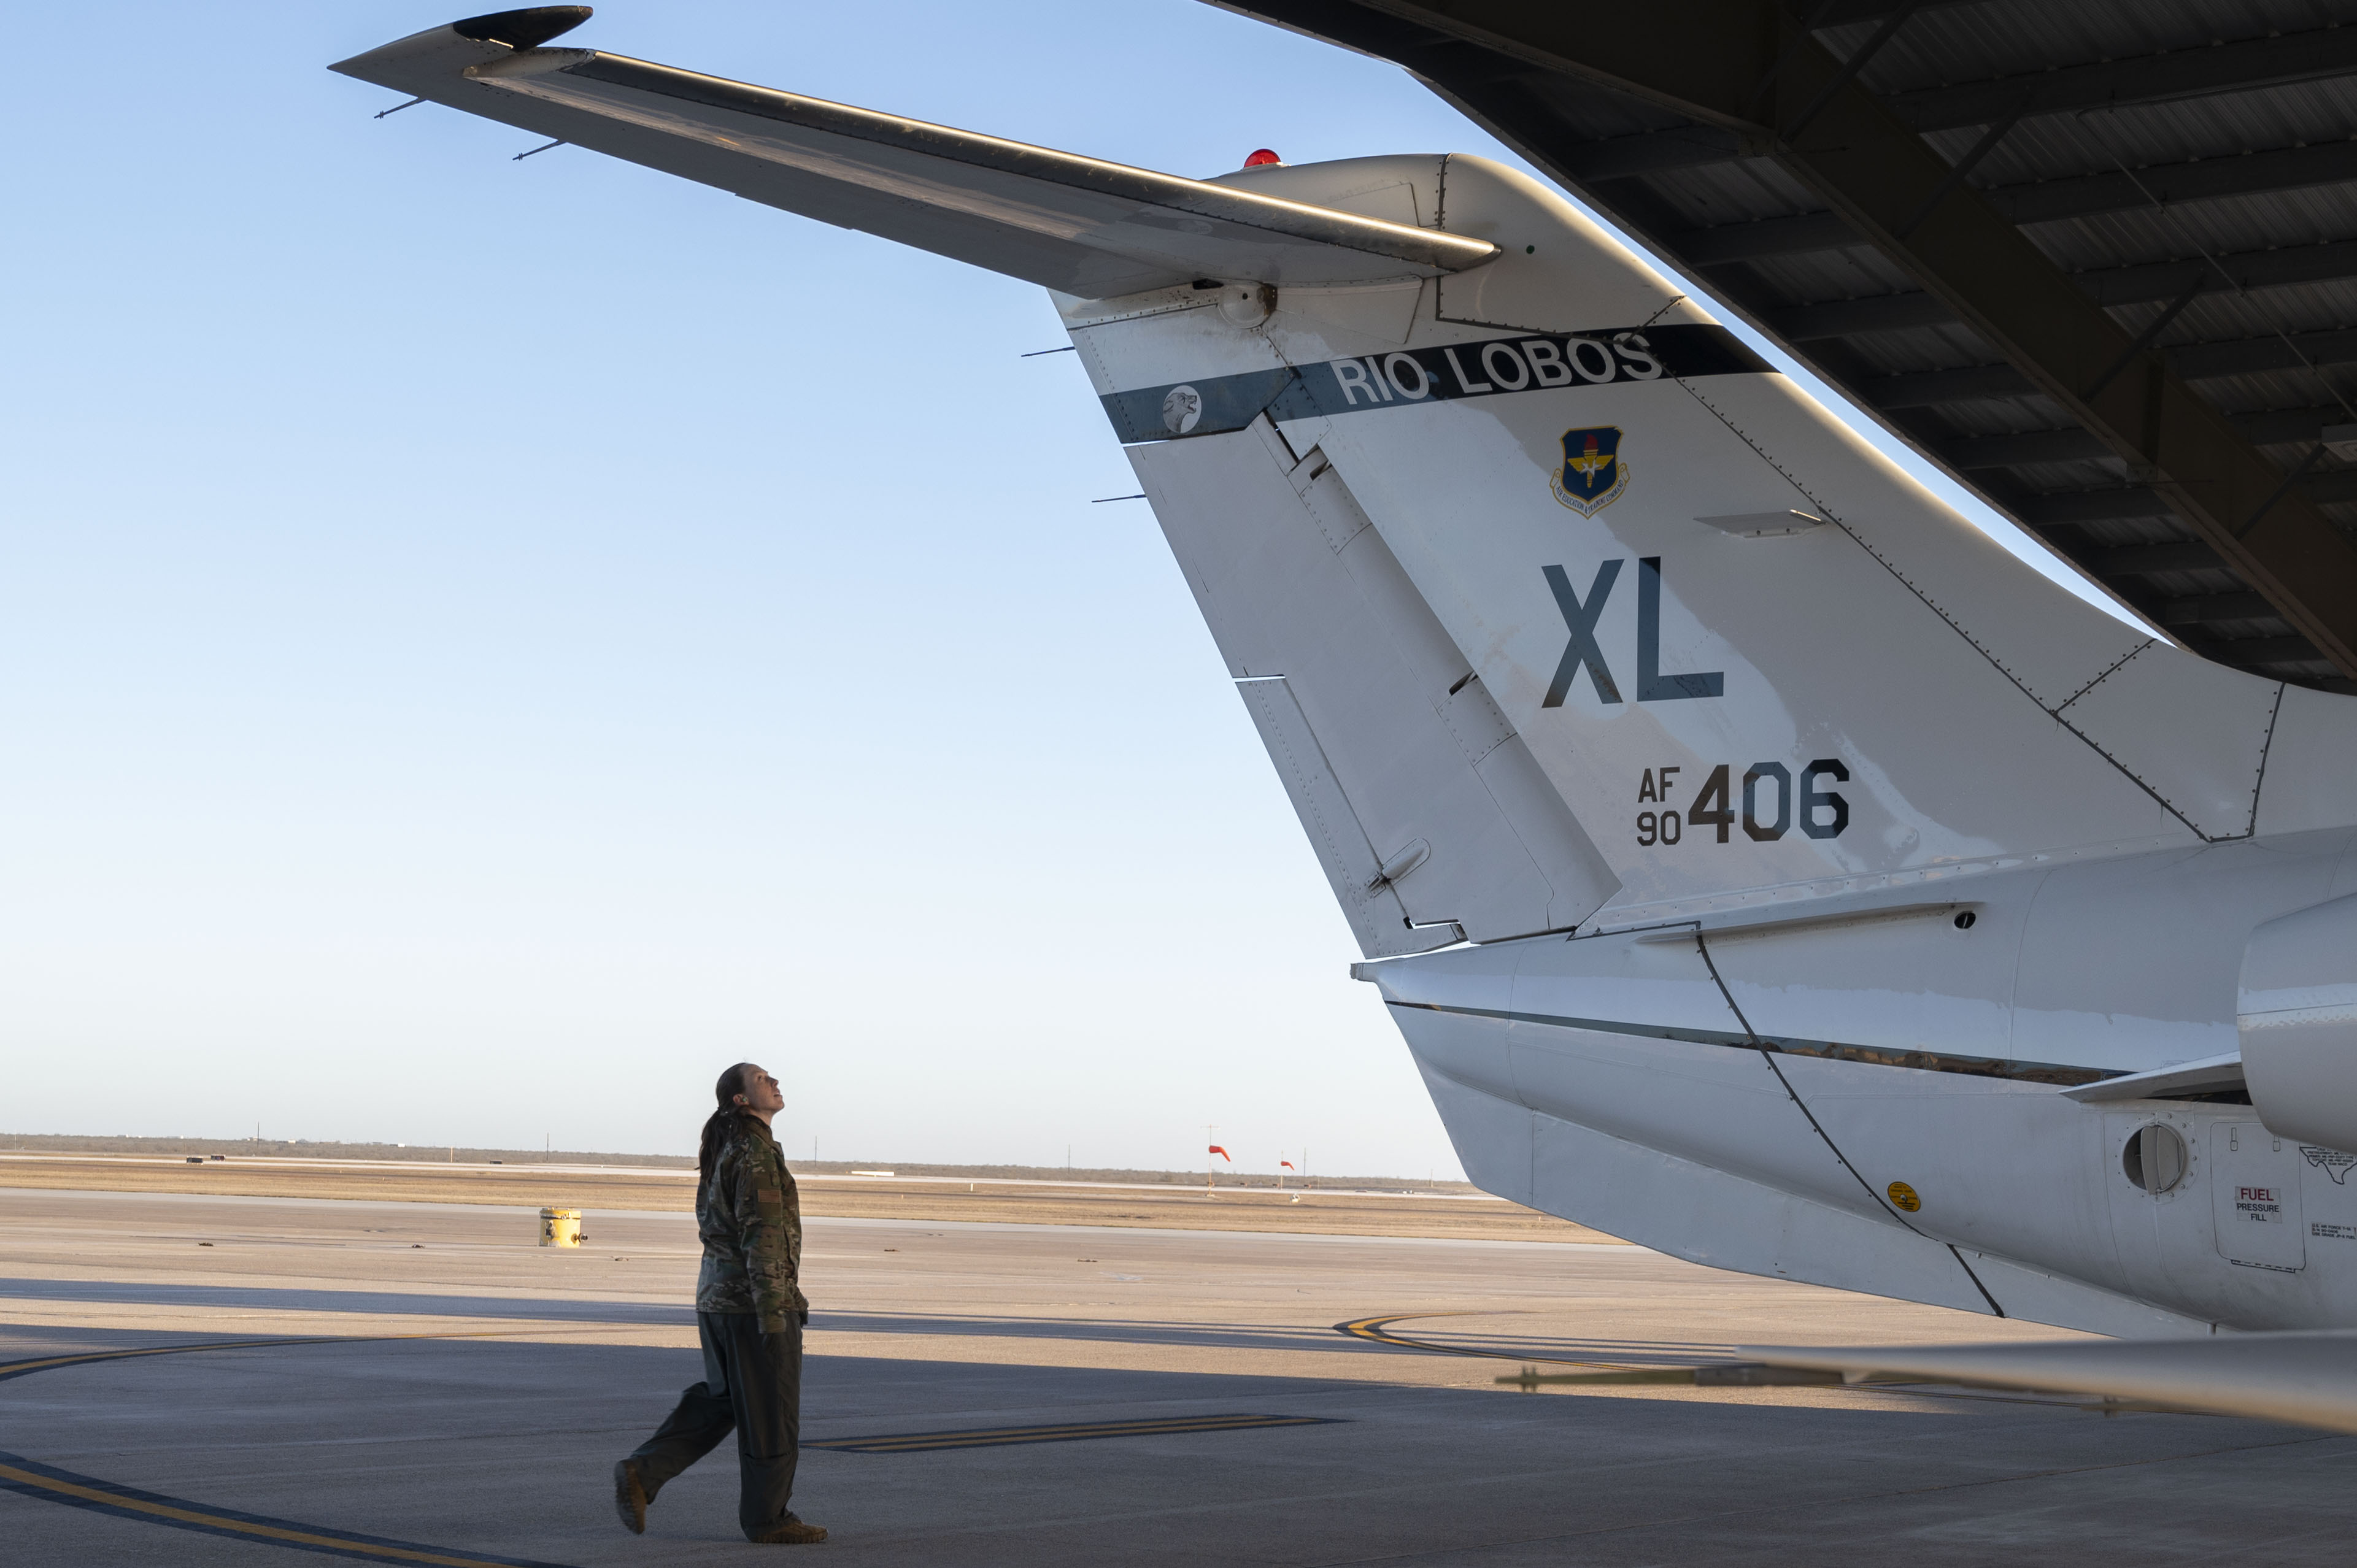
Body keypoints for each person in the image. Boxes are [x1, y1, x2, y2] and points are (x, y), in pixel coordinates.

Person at [612, 1063, 825, 1545]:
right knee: (770, 1412)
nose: (774, 1081)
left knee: (725, 1398)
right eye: (761, 1079)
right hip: (752, 1304)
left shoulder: (729, 1146)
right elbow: (763, 1233)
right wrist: (775, 1309)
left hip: (718, 1298)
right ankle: (769, 1519)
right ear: (740, 1100)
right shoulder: (753, 1151)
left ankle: (642, 1474)